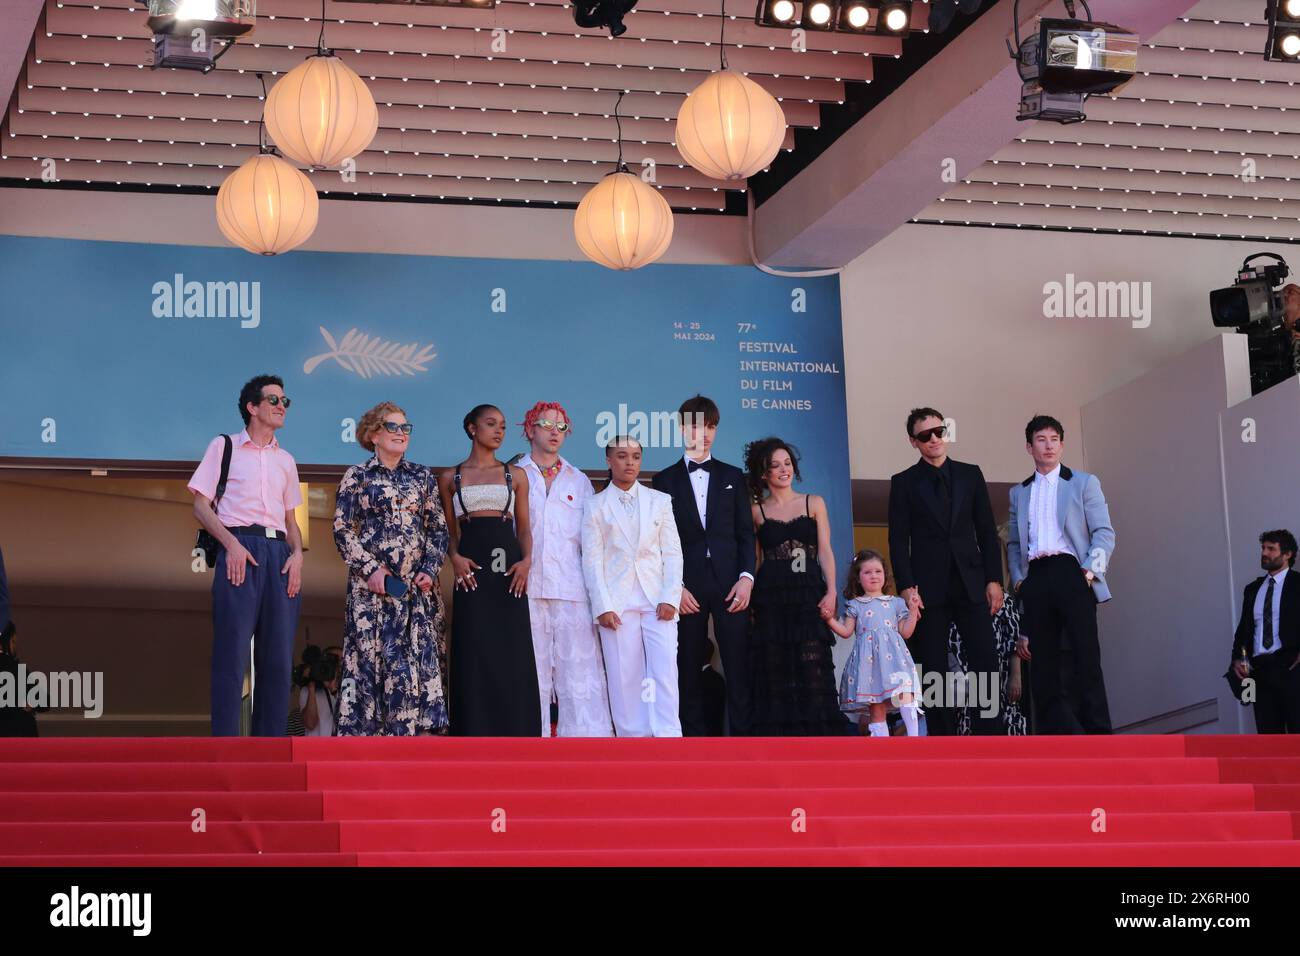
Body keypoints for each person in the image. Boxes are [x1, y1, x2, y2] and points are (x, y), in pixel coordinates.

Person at [188, 375, 304, 737]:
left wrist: (298, 554)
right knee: (231, 652)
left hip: (280, 554)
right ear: (252, 408)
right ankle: (226, 746)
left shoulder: (286, 460)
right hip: (239, 547)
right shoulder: (224, 447)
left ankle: (269, 747)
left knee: (279, 658)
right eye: (273, 400)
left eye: (285, 401)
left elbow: (290, 520)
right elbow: (201, 506)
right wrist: (230, 544)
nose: (282, 406)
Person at [333, 402, 449, 736]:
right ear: (373, 434)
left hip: (416, 593)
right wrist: (371, 571)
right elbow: (342, 530)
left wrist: (429, 568)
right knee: (371, 662)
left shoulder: (421, 476)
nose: (401, 433)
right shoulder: (357, 476)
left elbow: (438, 529)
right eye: (393, 427)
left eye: (405, 428)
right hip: (372, 594)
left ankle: (418, 744)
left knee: (415, 661)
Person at [887, 407, 1004, 736]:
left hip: (971, 582)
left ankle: (991, 737)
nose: (935, 439)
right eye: (926, 435)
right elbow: (898, 539)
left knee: (985, 660)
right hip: (927, 588)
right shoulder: (904, 483)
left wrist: (994, 579)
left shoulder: (970, 474)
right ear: (914, 441)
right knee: (932, 667)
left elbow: (986, 530)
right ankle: (941, 739)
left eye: (939, 431)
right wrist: (907, 586)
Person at [652, 395, 755, 736]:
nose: (705, 433)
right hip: (686, 587)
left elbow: (745, 534)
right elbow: (657, 544)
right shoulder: (664, 480)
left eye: (711, 426)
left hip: (731, 585)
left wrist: (746, 578)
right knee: (685, 666)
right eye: (698, 425)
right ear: (682, 429)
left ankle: (743, 743)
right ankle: (690, 743)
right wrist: (674, 587)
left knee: (738, 665)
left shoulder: (733, 476)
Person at [1006, 414, 1115, 735]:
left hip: (1073, 572)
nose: (1049, 445)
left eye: (1054, 439)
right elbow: (1014, 542)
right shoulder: (1018, 493)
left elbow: (1104, 532)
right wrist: (1020, 579)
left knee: (1086, 655)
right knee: (1043, 664)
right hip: (1036, 576)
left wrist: (1089, 572)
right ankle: (1059, 734)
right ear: (1029, 447)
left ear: (1062, 445)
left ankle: (1099, 733)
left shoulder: (1083, 482)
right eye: (1041, 439)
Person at [438, 404, 540, 737]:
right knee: (473, 647)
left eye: (503, 426)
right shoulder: (450, 477)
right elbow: (449, 534)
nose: (499, 431)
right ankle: (472, 730)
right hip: (469, 571)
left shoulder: (516, 475)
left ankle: (518, 730)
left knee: (512, 648)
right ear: (471, 428)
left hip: (510, 572)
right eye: (491, 424)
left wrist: (526, 562)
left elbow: (524, 528)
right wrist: (454, 557)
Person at [516, 402, 613, 738]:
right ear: (530, 430)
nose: (554, 431)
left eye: (561, 425)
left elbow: (592, 544)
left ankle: (588, 747)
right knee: (531, 673)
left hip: (572, 591)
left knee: (580, 674)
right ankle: (531, 745)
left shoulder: (579, 480)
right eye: (545, 424)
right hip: (527, 590)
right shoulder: (513, 474)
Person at [744, 437, 850, 735]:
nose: (783, 469)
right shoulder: (756, 511)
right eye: (775, 465)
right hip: (770, 597)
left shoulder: (813, 502)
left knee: (812, 664)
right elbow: (754, 561)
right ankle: (779, 748)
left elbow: (826, 550)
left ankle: (820, 745)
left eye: (787, 463)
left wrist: (831, 591)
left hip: (808, 592)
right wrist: (750, 603)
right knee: (775, 670)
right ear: (763, 473)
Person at [582, 436, 683, 737]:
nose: (630, 463)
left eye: (636, 456)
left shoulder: (660, 501)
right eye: (622, 456)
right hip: (617, 601)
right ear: (609, 460)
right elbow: (592, 559)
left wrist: (670, 597)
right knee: (624, 674)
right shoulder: (595, 505)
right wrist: (603, 606)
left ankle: (668, 735)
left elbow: (673, 553)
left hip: (657, 599)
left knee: (664, 670)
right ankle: (631, 737)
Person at [826, 550, 921, 737]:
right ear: (858, 578)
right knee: (876, 706)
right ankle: (882, 749)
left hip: (894, 661)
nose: (874, 576)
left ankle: (914, 740)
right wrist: (830, 620)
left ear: (885, 575)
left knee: (905, 694)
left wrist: (913, 609)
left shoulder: (896, 603)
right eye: (867, 572)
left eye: (878, 571)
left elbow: (906, 631)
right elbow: (845, 631)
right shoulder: (855, 605)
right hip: (869, 665)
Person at [1231, 530, 1300, 734]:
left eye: (1271, 548)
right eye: (1263, 548)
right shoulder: (1252, 589)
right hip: (1259, 672)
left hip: (1290, 667)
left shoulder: (1298, 584)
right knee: (1268, 738)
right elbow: (1243, 631)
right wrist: (1237, 659)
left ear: (1287, 554)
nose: (1265, 553)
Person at [0, 622, 38, 737]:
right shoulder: (16, 670)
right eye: (14, 642)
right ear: (9, 642)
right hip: (16, 738)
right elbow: (44, 702)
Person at [297, 645, 342, 738]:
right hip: (317, 750)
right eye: (333, 663)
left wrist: (334, 690)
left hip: (343, 749)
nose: (337, 667)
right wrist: (312, 688)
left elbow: (350, 721)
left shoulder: (350, 688)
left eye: (341, 662)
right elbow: (310, 724)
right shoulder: (308, 690)